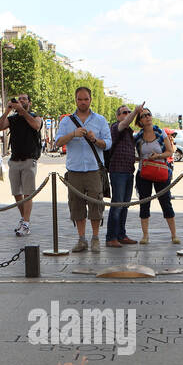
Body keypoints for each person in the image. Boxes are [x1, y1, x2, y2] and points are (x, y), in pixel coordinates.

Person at [54, 86, 112, 252]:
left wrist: (95, 140)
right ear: (75, 100)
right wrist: (73, 134)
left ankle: (95, 238)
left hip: (94, 169)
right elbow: (58, 142)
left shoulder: (100, 120)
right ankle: (81, 239)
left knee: (96, 204)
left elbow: (108, 143)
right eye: (80, 99)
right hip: (75, 170)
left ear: (90, 100)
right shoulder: (66, 121)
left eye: (86, 99)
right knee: (76, 205)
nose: (83, 102)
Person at [0, 93, 43, 236]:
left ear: (29, 103)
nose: (21, 101)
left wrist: (22, 111)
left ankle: (26, 223)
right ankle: (24, 219)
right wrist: (7, 110)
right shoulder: (12, 119)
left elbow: (36, 126)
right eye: (19, 99)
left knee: (28, 193)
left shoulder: (35, 117)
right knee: (16, 193)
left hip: (29, 159)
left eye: (24, 99)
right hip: (15, 159)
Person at [133, 108, 179, 245]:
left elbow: (170, 152)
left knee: (166, 202)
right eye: (144, 116)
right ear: (140, 120)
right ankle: (145, 235)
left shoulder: (160, 132)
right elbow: (137, 154)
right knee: (144, 204)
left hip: (160, 171)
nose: (147, 117)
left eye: (149, 114)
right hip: (144, 173)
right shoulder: (138, 137)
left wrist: (158, 156)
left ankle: (174, 234)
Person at [105, 103, 140, 247]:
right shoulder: (116, 127)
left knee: (124, 205)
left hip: (128, 171)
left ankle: (121, 234)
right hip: (118, 171)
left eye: (129, 112)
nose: (127, 114)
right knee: (117, 204)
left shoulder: (129, 131)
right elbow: (125, 123)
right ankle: (111, 237)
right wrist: (136, 111)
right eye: (124, 112)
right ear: (118, 116)